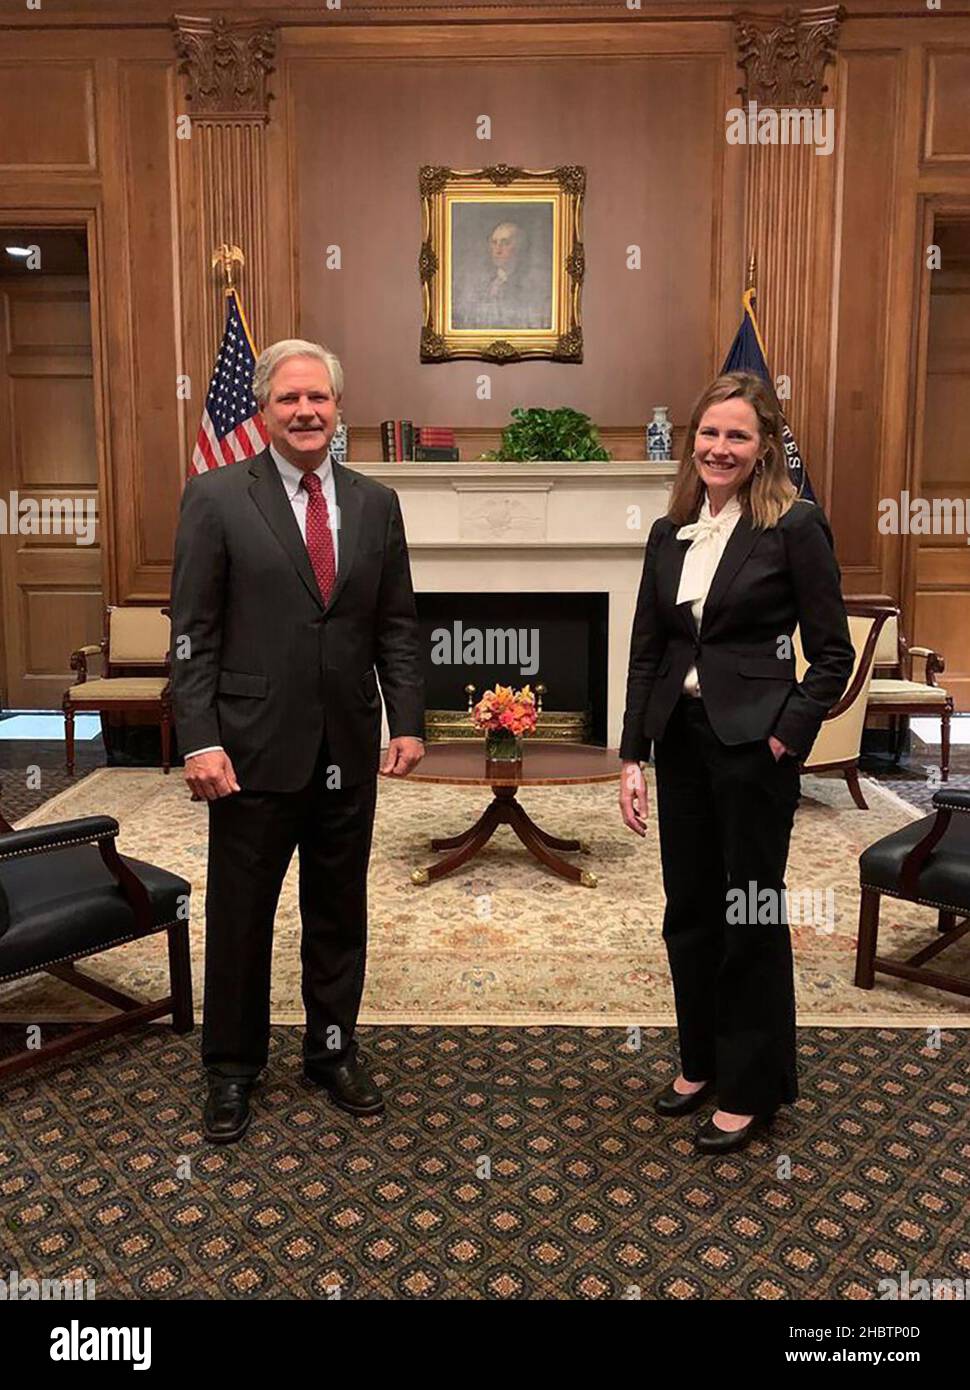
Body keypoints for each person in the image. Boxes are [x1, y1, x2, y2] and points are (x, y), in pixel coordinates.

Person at [171, 338, 425, 1144]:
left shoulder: (376, 502)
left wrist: (408, 719)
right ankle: (232, 1068)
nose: (306, 411)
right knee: (241, 915)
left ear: (337, 407)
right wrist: (198, 739)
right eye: (289, 400)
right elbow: (193, 634)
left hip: (347, 748)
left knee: (337, 910)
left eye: (318, 398)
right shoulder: (215, 498)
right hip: (247, 751)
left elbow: (397, 625)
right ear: (264, 410)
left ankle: (331, 1049)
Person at [618, 370, 854, 1154]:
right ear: (693, 442)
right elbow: (647, 649)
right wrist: (631, 755)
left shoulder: (795, 527)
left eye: (737, 436)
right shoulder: (670, 531)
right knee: (688, 908)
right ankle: (701, 1060)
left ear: (763, 448)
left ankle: (752, 1088)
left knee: (748, 911)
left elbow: (831, 654)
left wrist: (787, 735)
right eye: (710, 434)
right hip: (680, 740)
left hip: (755, 748)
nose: (720, 449)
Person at [451, 220, 553, 331]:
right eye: (494, 243)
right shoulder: (483, 286)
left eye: (505, 243)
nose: (497, 250)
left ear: (520, 247)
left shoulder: (534, 287)